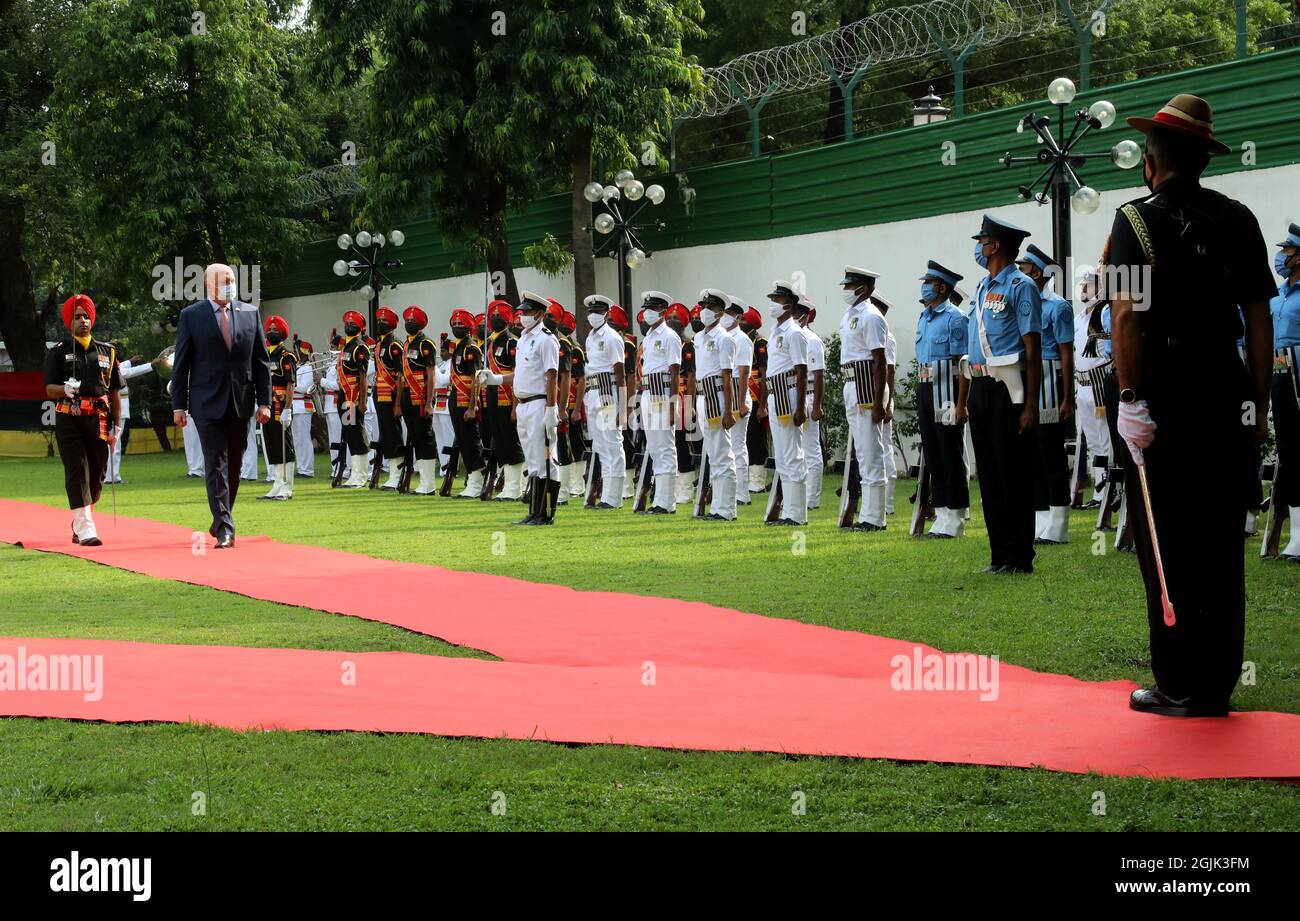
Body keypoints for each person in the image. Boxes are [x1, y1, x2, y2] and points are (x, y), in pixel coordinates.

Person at [1104, 94, 1275, 716]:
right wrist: (1255, 403)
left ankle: (1179, 683)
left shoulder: (1133, 221)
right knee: (1221, 538)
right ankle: (1217, 685)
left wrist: (1129, 397)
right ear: (1202, 159)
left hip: (1165, 391)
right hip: (1226, 389)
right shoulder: (1239, 218)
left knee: (1166, 538)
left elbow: (1125, 312)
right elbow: (1259, 318)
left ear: (1152, 161)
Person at [954, 216, 1042, 573]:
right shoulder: (980, 286)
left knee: (1013, 474)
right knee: (989, 473)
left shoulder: (1021, 287)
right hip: (980, 385)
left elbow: (1032, 350)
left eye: (984, 241)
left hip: (1010, 387)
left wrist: (1031, 405)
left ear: (998, 246)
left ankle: (1020, 556)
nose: (980, 246)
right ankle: (999, 553)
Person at [170, 264, 272, 548]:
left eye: (232, 280)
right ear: (209, 285)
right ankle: (226, 525)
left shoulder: (250, 314)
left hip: (241, 402)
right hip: (206, 402)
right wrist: (179, 405)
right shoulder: (192, 316)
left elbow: (261, 361)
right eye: (224, 280)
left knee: (235, 464)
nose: (230, 284)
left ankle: (220, 518)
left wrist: (264, 402)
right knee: (215, 462)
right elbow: (181, 365)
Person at [44, 294, 122, 545]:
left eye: (86, 316)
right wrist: (64, 389)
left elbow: (114, 391)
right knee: (77, 470)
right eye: (77, 317)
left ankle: (79, 518)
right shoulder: (58, 352)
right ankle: (86, 527)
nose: (83, 320)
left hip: (98, 418)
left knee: (97, 474)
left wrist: (117, 424)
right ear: (69, 322)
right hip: (69, 417)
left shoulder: (107, 352)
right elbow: (48, 389)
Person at [479, 292, 562, 524]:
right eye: (522, 312)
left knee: (545, 460)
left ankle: (546, 513)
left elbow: (552, 376)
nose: (523, 316)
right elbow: (520, 374)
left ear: (540, 314)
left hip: (538, 403)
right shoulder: (524, 338)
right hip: (524, 404)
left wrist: (551, 408)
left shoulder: (547, 339)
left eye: (527, 312)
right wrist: (495, 379)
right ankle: (534, 512)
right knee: (534, 462)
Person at [1016, 244, 1075, 545]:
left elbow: (1066, 353)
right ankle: (1041, 520)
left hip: (1050, 383)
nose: (1020, 271)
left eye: (1024, 267)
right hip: (1029, 380)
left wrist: (1068, 398)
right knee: (1034, 457)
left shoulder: (1058, 306)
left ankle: (1059, 523)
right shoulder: (1025, 302)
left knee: (1051, 454)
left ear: (1037, 272)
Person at [914, 260, 971, 538]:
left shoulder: (956, 318)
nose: (925, 287)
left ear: (942, 287)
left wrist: (962, 404)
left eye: (929, 282)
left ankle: (957, 516)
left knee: (950, 452)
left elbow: (964, 366)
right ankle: (943, 512)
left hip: (947, 391)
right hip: (925, 387)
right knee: (934, 453)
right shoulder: (924, 317)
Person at [838, 265, 890, 530]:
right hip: (851, 382)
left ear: (865, 288)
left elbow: (879, 361)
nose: (846, 290)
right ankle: (867, 514)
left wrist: (880, 401)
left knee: (871, 451)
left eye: (850, 285)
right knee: (861, 450)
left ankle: (875, 517)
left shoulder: (871, 316)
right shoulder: (849, 315)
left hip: (867, 384)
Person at [763, 282, 810, 525]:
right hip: (775, 393)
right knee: (782, 457)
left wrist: (801, 408)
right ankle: (788, 510)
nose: (772, 304)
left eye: (776, 300)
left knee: (793, 454)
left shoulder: (794, 332)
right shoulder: (775, 331)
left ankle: (797, 513)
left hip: (789, 393)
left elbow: (802, 371)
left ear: (788, 305)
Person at [1268, 222, 1300, 560]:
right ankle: (1297, 533)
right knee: (1289, 451)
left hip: (1299, 375)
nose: (1282, 256)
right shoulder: (1278, 293)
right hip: (1280, 378)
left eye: (1288, 250)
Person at [694, 288, 739, 520]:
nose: (705, 312)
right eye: (704, 307)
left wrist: (729, 410)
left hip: (717, 395)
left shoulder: (724, 338)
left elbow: (727, 376)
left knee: (722, 453)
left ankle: (726, 509)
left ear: (721, 313)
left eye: (711, 308)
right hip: (703, 395)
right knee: (712, 454)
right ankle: (716, 507)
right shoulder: (699, 338)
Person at [636, 291, 682, 514]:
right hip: (647, 392)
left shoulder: (670, 336)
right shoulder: (649, 337)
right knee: (654, 448)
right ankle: (659, 500)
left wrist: (674, 405)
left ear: (663, 311)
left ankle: (667, 501)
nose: (648, 313)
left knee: (665, 446)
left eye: (652, 309)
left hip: (662, 393)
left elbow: (675, 372)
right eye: (646, 309)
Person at [582, 295, 628, 508]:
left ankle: (613, 497)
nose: (594, 316)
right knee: (600, 445)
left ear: (607, 314)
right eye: (591, 312)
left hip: (608, 391)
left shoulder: (612, 337)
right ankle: (606, 494)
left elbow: (621, 375)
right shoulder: (590, 337)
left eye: (599, 312)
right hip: (592, 391)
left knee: (612, 443)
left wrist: (623, 407)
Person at [1072, 275, 1114, 509]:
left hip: (1098, 384)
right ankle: (1099, 491)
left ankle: (1109, 490)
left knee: (1105, 439)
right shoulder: (1079, 318)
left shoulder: (1104, 312)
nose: (1083, 289)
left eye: (1089, 285)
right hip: (1082, 385)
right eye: (1082, 285)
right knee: (1093, 442)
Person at [484, 299, 526, 500]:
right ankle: (508, 484)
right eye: (492, 316)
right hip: (493, 398)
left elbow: (519, 374)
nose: (495, 319)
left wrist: (515, 406)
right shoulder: (491, 342)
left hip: (508, 399)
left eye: (499, 316)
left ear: (508, 319)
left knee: (510, 442)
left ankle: (516, 486)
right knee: (499, 442)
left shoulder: (512, 342)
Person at [398, 305, 439, 494]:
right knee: (414, 437)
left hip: (421, 396)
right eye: (407, 320)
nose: (409, 323)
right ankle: (423, 481)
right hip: (407, 395)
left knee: (425, 438)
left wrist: (430, 402)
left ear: (421, 324)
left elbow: (431, 375)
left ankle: (429, 483)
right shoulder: (407, 344)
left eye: (413, 321)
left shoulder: (426, 344)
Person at [448, 309, 488, 498]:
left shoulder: (471, 348)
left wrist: (472, 406)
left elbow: (476, 378)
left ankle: (477, 481)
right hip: (455, 397)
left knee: (471, 442)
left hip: (466, 400)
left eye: (460, 324)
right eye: (454, 324)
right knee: (463, 441)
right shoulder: (458, 347)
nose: (456, 327)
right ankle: (472, 479)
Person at [258, 315, 297, 500]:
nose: (271, 332)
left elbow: (291, 384)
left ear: (282, 334)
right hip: (267, 405)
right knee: (272, 445)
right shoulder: (265, 354)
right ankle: (277, 484)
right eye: (269, 329)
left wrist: (287, 409)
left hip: (281, 405)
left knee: (284, 446)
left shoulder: (286, 356)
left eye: (275, 330)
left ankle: (287, 487)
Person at [103, 353, 158, 484]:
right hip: (118, 409)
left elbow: (122, 367)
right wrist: (151, 364)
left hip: (114, 409)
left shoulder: (108, 367)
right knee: (115, 444)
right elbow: (130, 372)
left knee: (111, 444)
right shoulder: (114, 370)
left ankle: (109, 476)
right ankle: (113, 477)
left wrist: (130, 361)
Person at [335, 311, 373, 488]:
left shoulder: (359, 347)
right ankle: (354, 473)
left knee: (357, 434)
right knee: (349, 432)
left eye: (353, 323)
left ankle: (361, 475)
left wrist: (363, 402)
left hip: (354, 397)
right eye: (347, 323)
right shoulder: (346, 347)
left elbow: (363, 376)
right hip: (344, 395)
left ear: (360, 327)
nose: (348, 325)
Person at [723, 296, 754, 505]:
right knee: (727, 448)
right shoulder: (722, 336)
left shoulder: (741, 339)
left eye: (730, 314)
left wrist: (741, 403)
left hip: (737, 392)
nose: (725, 317)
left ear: (738, 317)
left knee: (737, 446)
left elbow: (743, 373)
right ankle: (730, 490)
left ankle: (742, 493)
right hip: (726, 392)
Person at [372, 307, 407, 489]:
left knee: (393, 433)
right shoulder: (379, 345)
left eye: (384, 321)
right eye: (379, 320)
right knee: (385, 433)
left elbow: (401, 375)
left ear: (392, 325)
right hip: (380, 394)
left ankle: (398, 473)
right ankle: (392, 471)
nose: (380, 323)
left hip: (392, 394)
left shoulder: (395, 345)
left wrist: (398, 403)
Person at [796, 299, 826, 508]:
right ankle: (798, 494)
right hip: (790, 396)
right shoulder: (789, 335)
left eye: (796, 312)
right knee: (795, 450)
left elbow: (818, 375)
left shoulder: (812, 340)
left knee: (810, 449)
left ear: (806, 315)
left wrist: (816, 406)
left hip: (807, 395)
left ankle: (811, 499)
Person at [740, 307, 770, 495]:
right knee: (745, 440)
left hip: (758, 398)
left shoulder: (761, 344)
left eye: (743, 321)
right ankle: (747, 478)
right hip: (742, 398)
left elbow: (765, 375)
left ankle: (758, 480)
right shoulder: (740, 342)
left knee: (756, 440)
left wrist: (764, 405)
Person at [559, 310, 588, 498]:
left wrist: (577, 408)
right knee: (562, 444)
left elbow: (581, 380)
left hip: (572, 403)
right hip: (560, 401)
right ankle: (566, 482)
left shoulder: (574, 348)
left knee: (577, 443)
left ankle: (579, 483)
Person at [431, 332, 456, 480]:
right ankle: (443, 467)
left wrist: (433, 368)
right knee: (439, 438)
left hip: (447, 402)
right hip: (438, 403)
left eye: (444, 350)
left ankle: (451, 466)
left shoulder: (452, 364)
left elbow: (444, 379)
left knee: (448, 437)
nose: (442, 353)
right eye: (441, 350)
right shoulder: (441, 364)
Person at [291, 338, 318, 478]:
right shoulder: (299, 366)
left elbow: (306, 388)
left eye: (297, 350)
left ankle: (307, 469)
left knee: (304, 438)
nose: (295, 352)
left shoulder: (307, 367)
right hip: (296, 406)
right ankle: (302, 467)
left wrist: (290, 384)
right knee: (297, 439)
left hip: (302, 404)